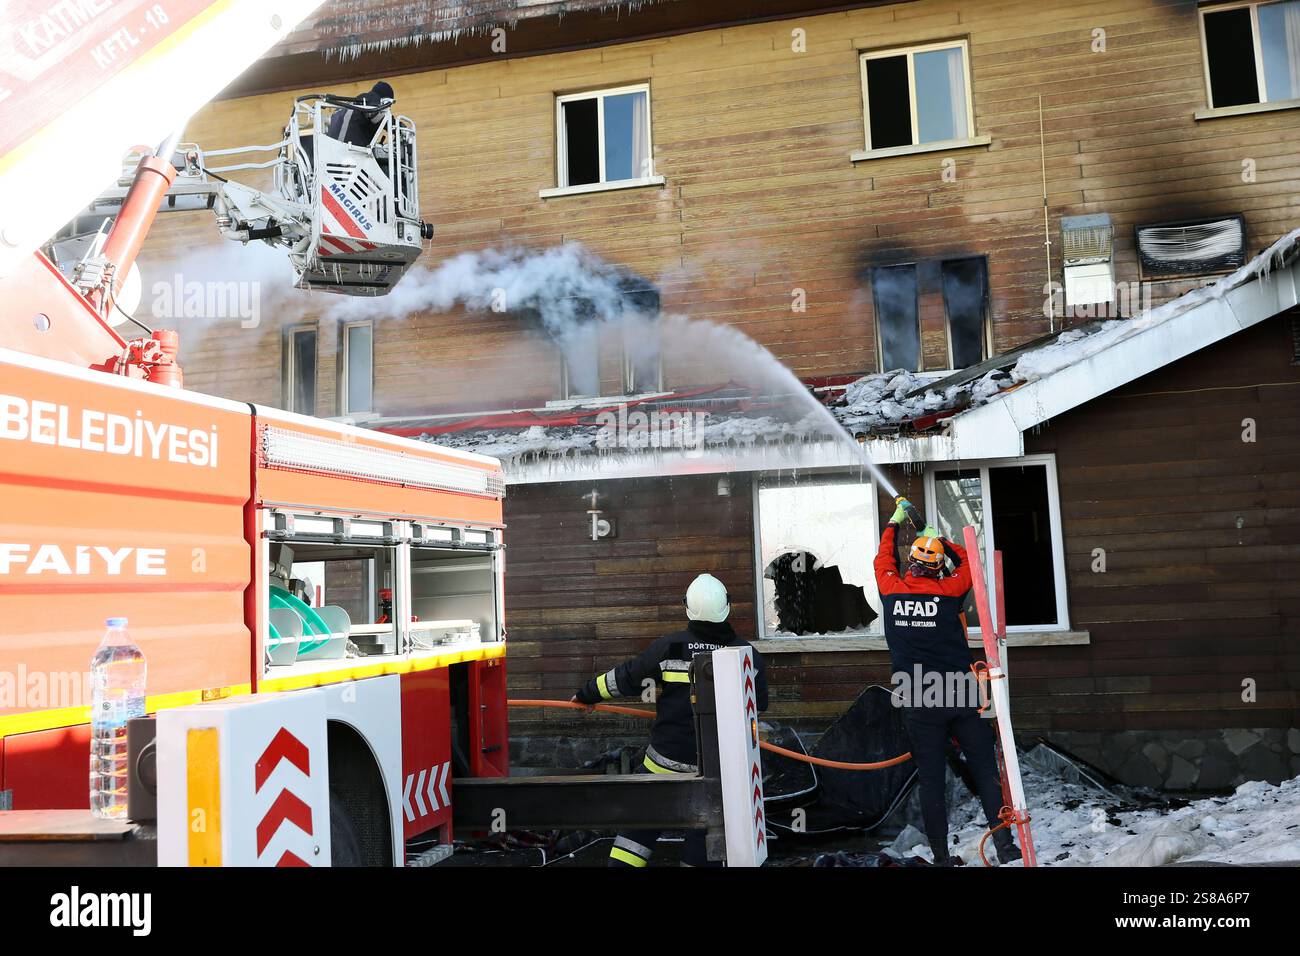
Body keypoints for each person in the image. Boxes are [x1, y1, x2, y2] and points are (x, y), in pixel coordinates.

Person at [572, 573, 768, 867]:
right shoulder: (746, 654)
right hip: (718, 773)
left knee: (632, 843)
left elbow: (626, 677)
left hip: (661, 767)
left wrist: (587, 695)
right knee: (703, 843)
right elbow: (760, 704)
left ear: (687, 606)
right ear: (728, 607)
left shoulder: (669, 648)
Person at [873, 498, 1021, 866]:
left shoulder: (891, 591)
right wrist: (935, 536)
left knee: (932, 781)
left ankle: (941, 857)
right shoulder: (950, 591)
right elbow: (970, 562)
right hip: (961, 694)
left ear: (911, 565)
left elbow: (882, 559)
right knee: (986, 771)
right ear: (938, 567)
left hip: (919, 697)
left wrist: (893, 526)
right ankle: (1005, 846)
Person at [326, 80, 394, 148]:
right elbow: (380, 114)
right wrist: (399, 129)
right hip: (351, 152)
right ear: (384, 100)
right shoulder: (371, 98)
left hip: (330, 151)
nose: (389, 107)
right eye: (389, 103)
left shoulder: (342, 107)